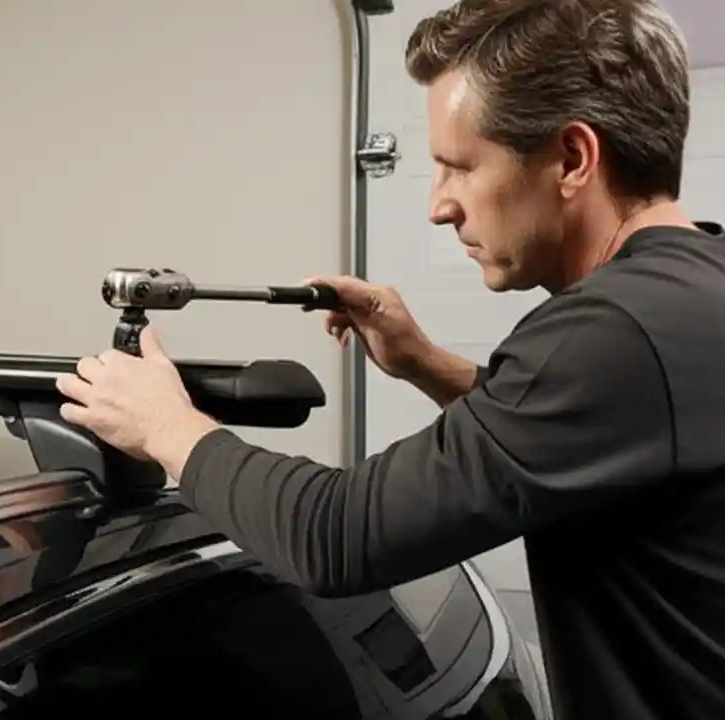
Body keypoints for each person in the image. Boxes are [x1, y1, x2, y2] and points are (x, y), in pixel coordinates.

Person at [54, 1, 725, 718]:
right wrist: (423, 362)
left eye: (458, 167)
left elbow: (338, 537)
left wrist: (167, 427)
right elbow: (579, 433)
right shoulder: (693, 289)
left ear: (571, 158)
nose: (440, 206)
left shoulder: (612, 332)